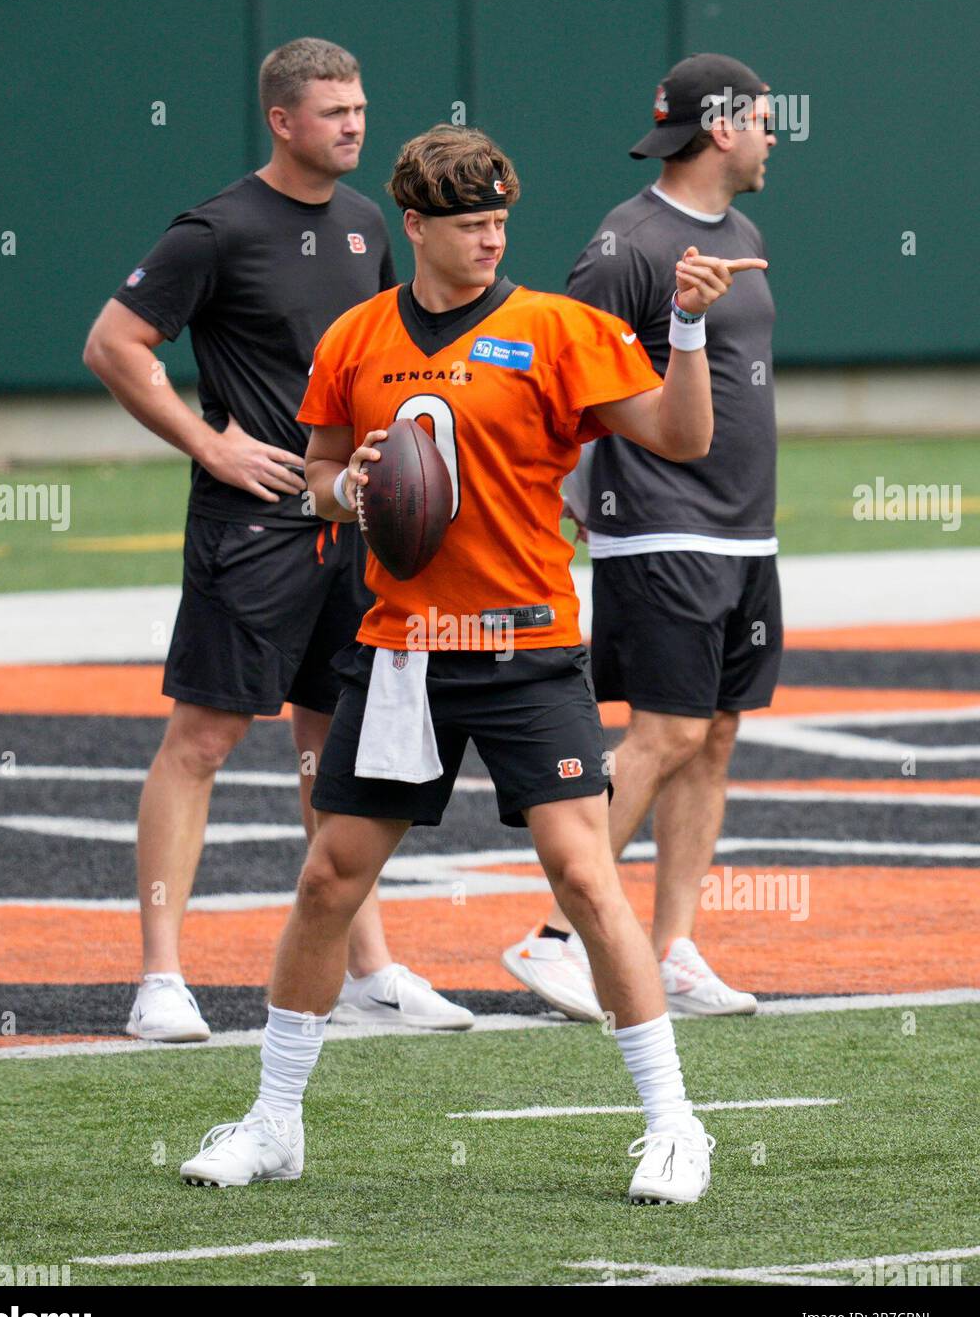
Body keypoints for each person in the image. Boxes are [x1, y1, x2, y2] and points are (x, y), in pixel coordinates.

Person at [179, 123, 766, 1203]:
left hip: (526, 646)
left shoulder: (559, 328)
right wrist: (346, 491)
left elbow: (680, 438)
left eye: (499, 220)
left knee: (585, 880)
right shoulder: (354, 334)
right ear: (414, 227)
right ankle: (272, 1120)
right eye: (466, 225)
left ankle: (675, 1124)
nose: (489, 240)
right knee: (326, 879)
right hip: (400, 651)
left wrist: (684, 323)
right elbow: (314, 476)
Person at [83, 38, 472, 1041]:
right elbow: (114, 344)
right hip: (252, 527)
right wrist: (208, 443)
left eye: (360, 106)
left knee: (332, 745)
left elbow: (385, 357)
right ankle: (160, 978)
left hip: (352, 521)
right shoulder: (213, 228)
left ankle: (365, 969)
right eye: (333, 110)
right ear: (282, 120)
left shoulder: (361, 224)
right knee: (203, 739)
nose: (353, 124)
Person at [502, 53, 781, 1023]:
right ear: (719, 129)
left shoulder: (736, 230)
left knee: (711, 739)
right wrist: (585, 505)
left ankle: (668, 948)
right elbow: (556, 383)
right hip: (658, 532)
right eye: (758, 118)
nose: (770, 134)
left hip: (741, 535)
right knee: (662, 734)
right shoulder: (626, 244)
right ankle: (553, 936)